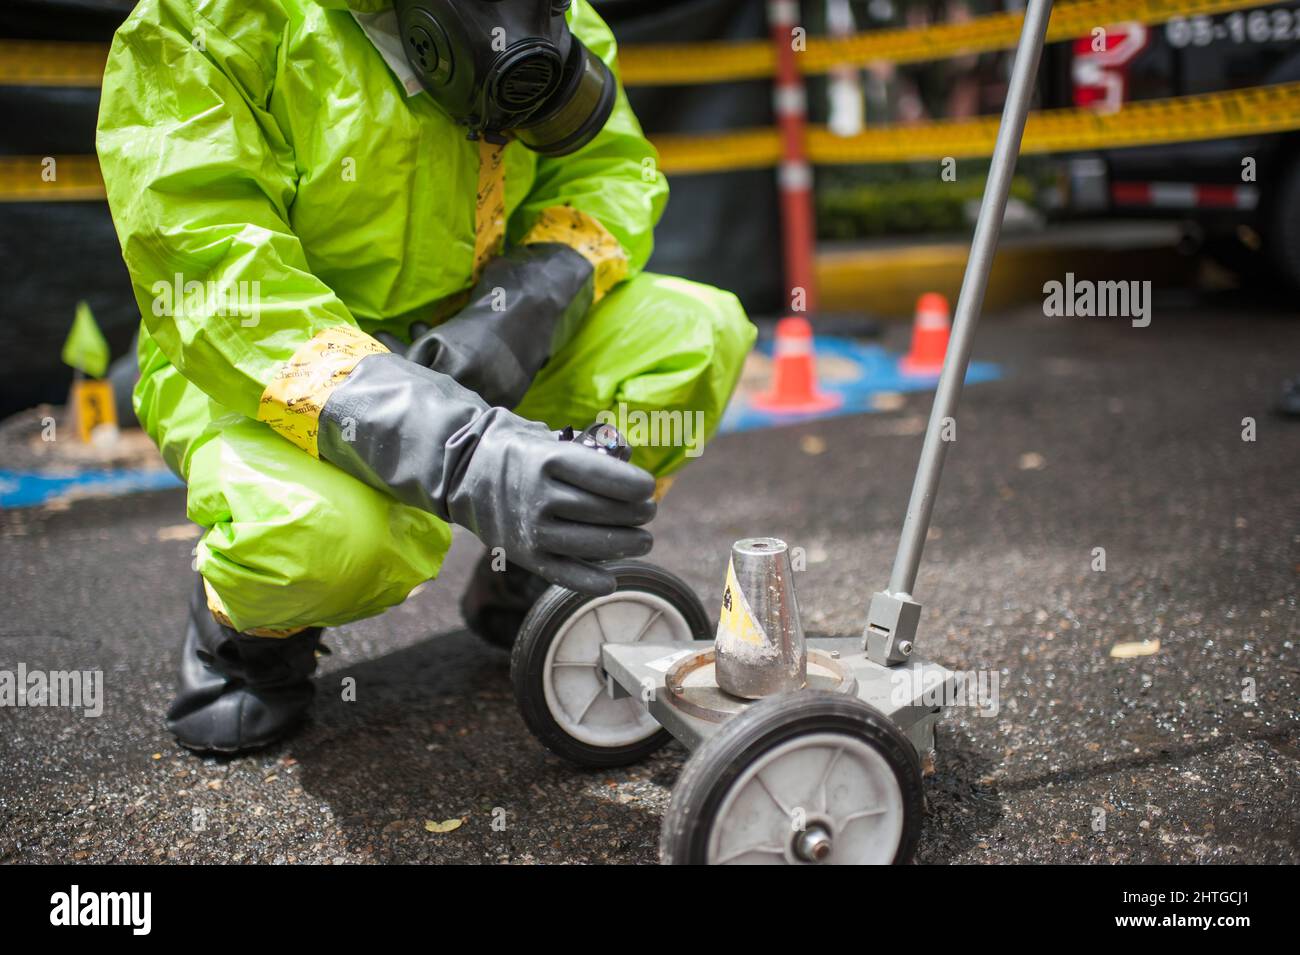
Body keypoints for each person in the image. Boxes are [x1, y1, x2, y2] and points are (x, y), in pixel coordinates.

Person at [96, 0, 754, 755]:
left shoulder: (554, 15)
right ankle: (249, 643)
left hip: (476, 330)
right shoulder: (206, 24)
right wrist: (452, 445)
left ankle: (530, 578)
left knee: (694, 337)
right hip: (259, 361)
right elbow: (218, 279)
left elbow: (608, 175)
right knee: (326, 537)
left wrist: (522, 312)